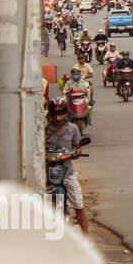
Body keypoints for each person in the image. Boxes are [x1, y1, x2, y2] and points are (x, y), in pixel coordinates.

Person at [45, 100, 90, 235]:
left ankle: (86, 237)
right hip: (48, 171)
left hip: (67, 172)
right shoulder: (45, 130)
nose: (57, 119)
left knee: (78, 204)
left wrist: (76, 152)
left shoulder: (73, 129)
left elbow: (78, 146)